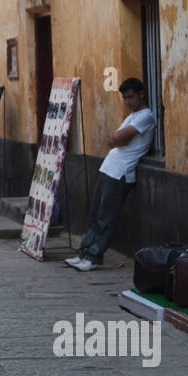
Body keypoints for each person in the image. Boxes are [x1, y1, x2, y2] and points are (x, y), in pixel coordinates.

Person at [65, 78, 155, 271]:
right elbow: (114, 140)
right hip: (109, 169)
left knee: (106, 217)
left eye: (131, 97)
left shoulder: (146, 116)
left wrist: (117, 138)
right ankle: (84, 253)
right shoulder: (132, 116)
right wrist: (116, 139)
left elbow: (118, 138)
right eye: (125, 98)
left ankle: (94, 256)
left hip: (121, 173)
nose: (129, 102)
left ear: (142, 94)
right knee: (96, 214)